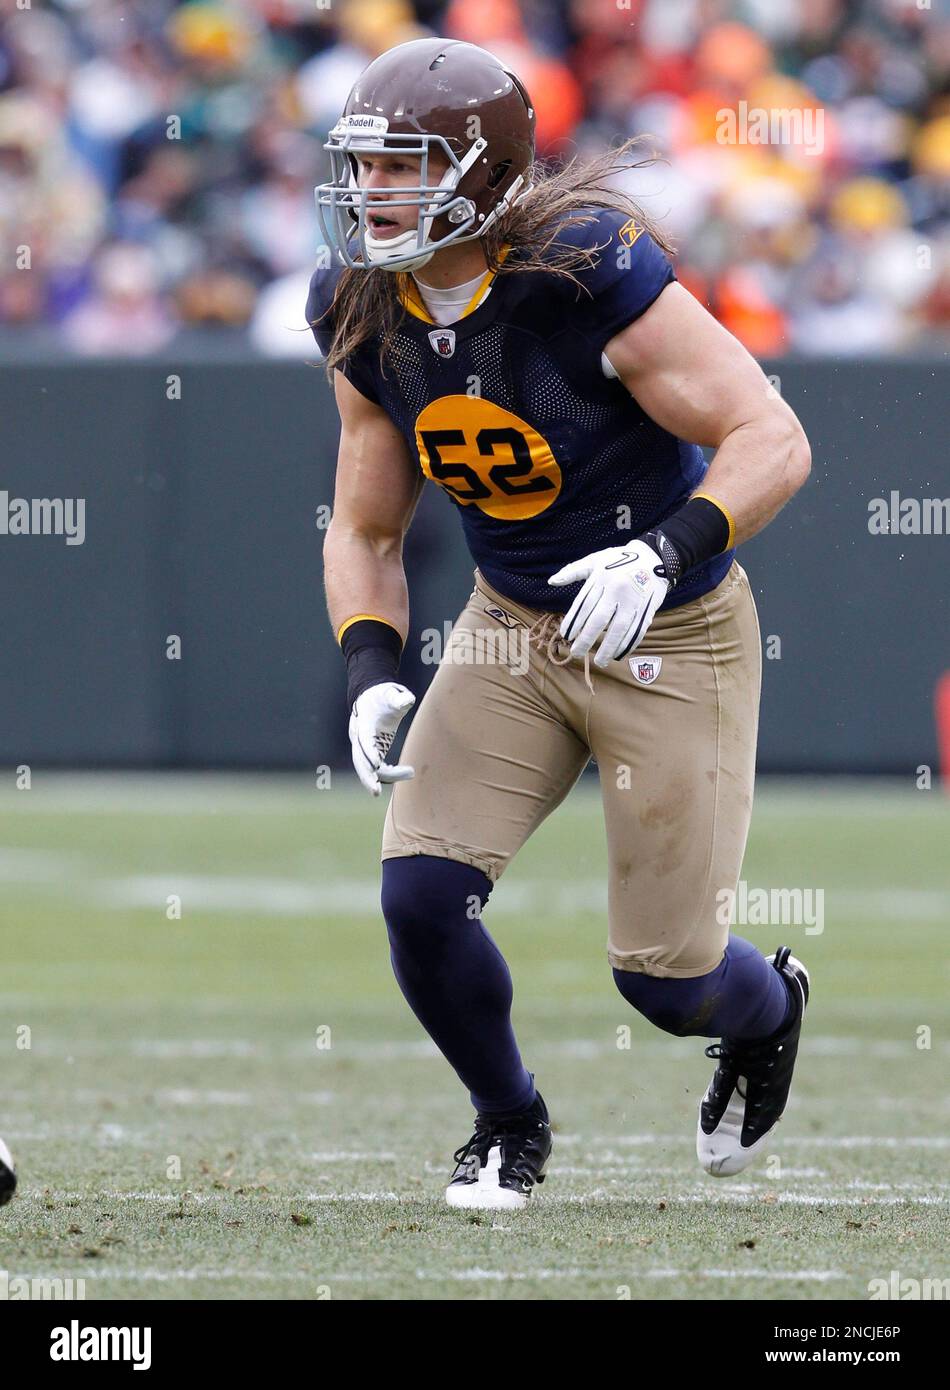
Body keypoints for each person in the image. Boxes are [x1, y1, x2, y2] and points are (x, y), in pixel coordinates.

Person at [309, 37, 812, 1210]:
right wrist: (372, 669)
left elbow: (771, 437)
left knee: (666, 980)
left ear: (483, 175)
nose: (370, 192)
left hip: (669, 631)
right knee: (421, 896)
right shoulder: (357, 307)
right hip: (510, 624)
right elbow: (368, 529)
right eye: (363, 168)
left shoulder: (585, 273)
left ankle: (770, 1006)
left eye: (401, 166)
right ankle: (505, 1121)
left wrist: (666, 547)